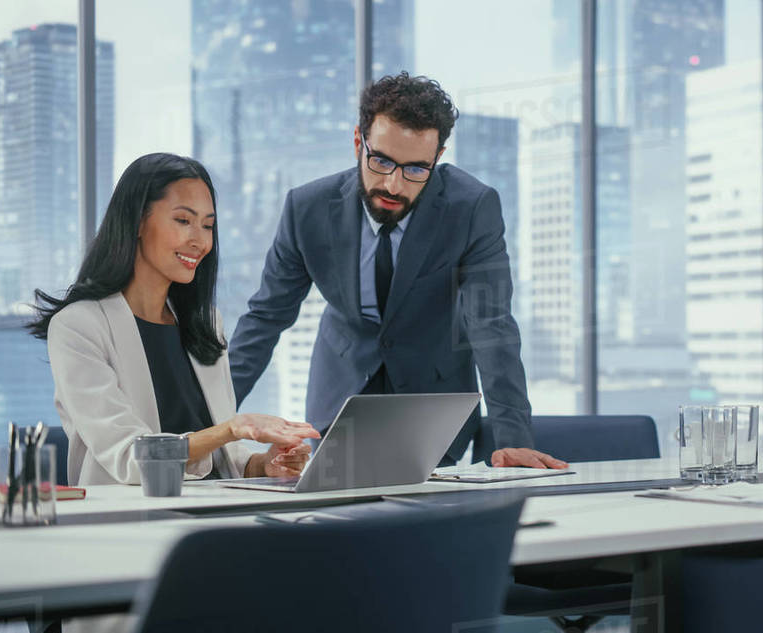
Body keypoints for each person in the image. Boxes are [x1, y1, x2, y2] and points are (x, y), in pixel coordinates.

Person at [228, 73, 565, 469]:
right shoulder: (308, 209)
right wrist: (200, 431)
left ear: (438, 158)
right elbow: (265, 319)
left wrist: (514, 441)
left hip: (433, 404)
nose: (393, 184)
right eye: (381, 160)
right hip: (340, 400)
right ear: (359, 142)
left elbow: (491, 326)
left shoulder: (471, 208)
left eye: (415, 170)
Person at [30, 153, 320, 486]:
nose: (200, 240)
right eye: (184, 220)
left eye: (208, 225)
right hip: (132, 522)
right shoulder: (78, 326)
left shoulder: (205, 323)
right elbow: (130, 458)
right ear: (138, 221)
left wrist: (262, 465)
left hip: (217, 512)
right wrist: (230, 429)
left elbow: (224, 460)